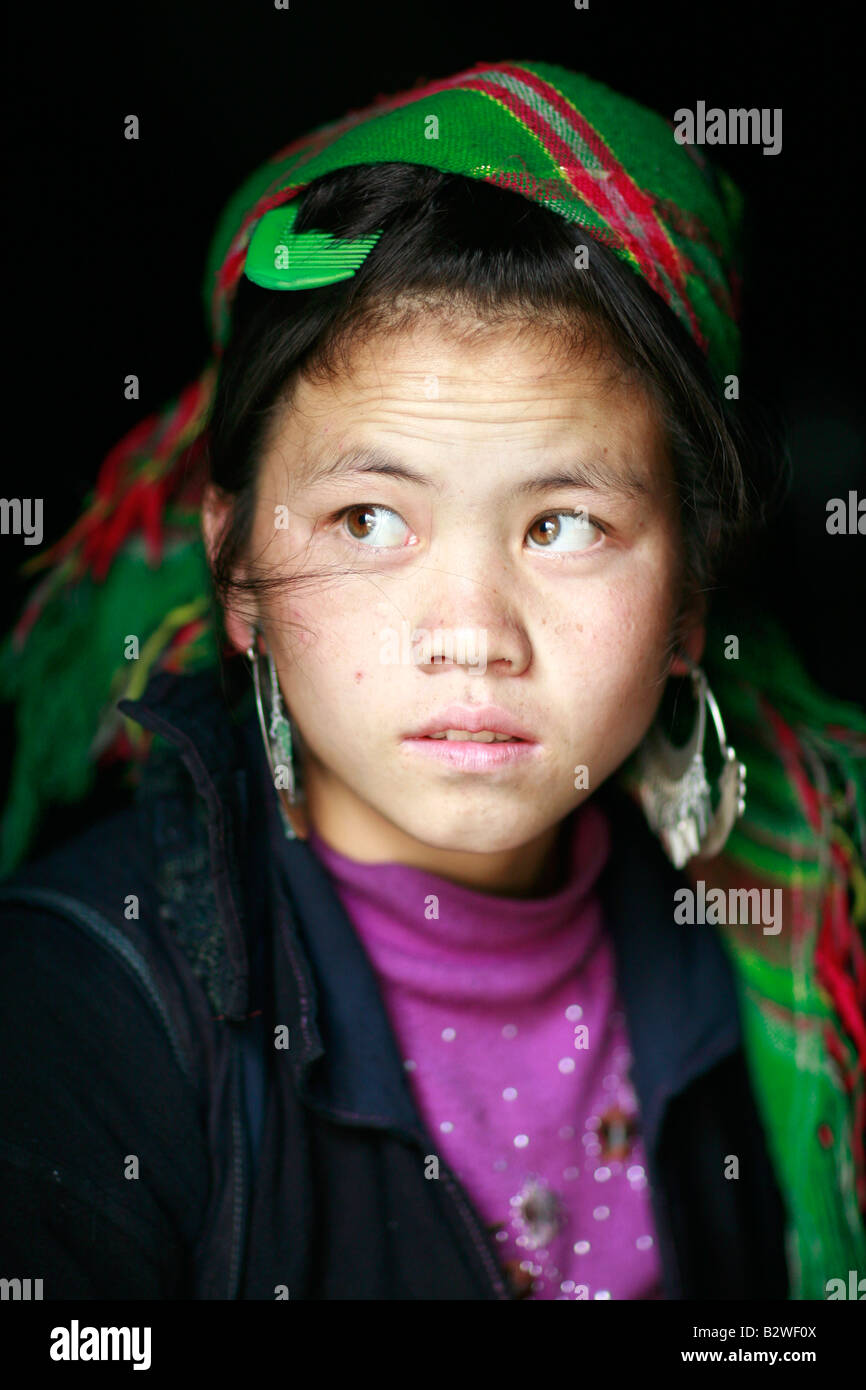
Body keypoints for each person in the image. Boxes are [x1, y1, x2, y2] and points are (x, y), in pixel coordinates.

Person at [0, 59, 863, 1301]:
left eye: (562, 525)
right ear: (236, 569)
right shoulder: (73, 1016)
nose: (470, 635)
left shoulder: (775, 948)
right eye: (365, 520)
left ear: (688, 595)